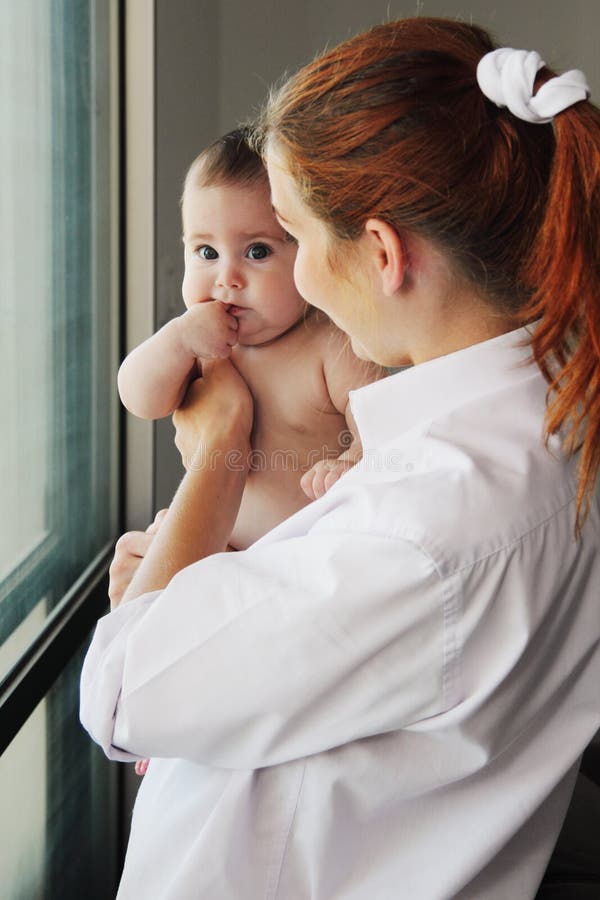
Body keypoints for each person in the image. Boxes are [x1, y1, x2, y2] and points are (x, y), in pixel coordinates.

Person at [80, 17, 600, 900]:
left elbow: (124, 696)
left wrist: (214, 453)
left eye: (288, 236)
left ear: (384, 254)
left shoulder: (423, 530)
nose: (295, 282)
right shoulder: (550, 419)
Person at [118, 128, 385, 552]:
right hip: (209, 544)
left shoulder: (331, 346)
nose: (227, 278)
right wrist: (177, 339)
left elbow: (383, 425)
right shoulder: (197, 345)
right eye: (207, 252)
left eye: (257, 252)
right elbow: (139, 397)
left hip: (294, 556)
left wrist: (350, 460)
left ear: (310, 252)